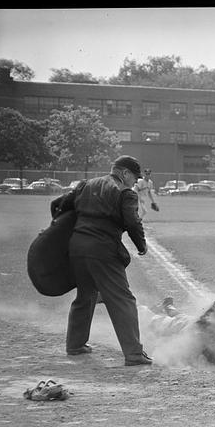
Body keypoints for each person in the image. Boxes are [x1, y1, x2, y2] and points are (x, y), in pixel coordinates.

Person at [49, 155, 152, 366]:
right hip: (103, 251)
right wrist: (141, 245)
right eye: (134, 177)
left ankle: (75, 345)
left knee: (86, 295)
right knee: (122, 299)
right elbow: (132, 222)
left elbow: (57, 205)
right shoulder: (125, 192)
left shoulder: (86, 185)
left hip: (77, 248)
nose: (136, 181)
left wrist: (56, 230)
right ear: (124, 173)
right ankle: (134, 354)